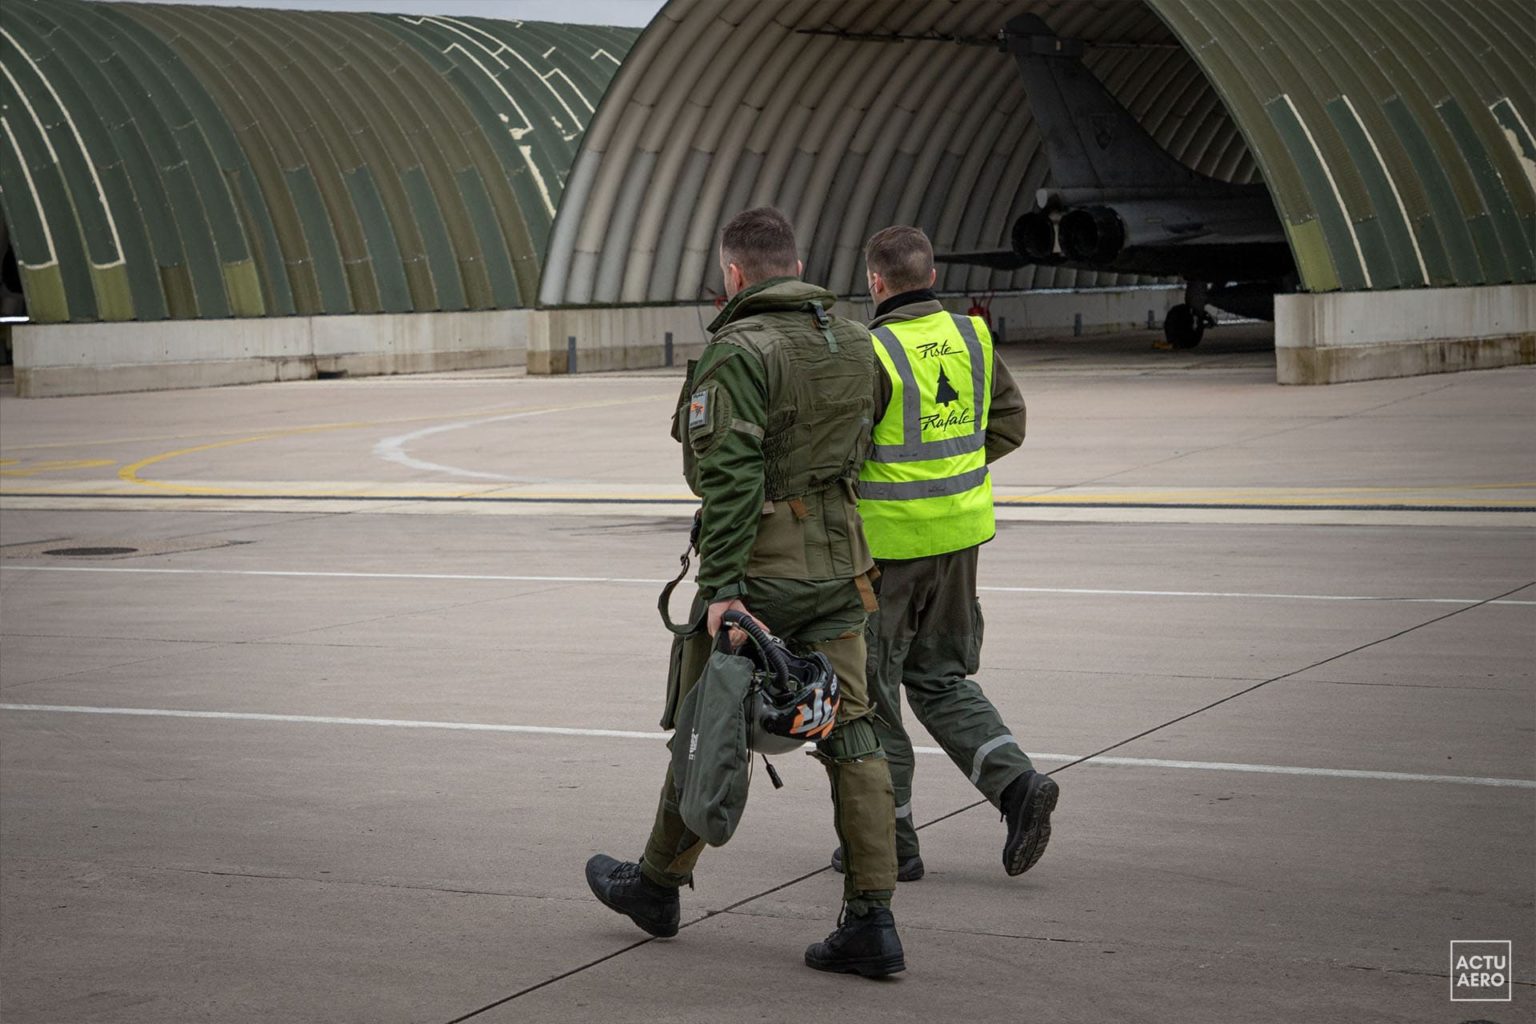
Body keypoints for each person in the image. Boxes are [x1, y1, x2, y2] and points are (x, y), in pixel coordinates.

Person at [586, 208, 905, 977]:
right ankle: (872, 918)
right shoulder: (859, 340)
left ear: (734, 274)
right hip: (842, 564)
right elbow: (876, 426)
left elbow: (730, 478)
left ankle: (658, 884)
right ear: (795, 265)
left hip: (760, 572)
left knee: (708, 722)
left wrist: (723, 586)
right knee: (852, 730)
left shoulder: (739, 351)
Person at [829, 224, 1059, 883]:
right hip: (960, 542)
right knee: (940, 678)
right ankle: (1017, 786)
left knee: (870, 696)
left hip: (886, 553)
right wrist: (952, 475)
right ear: (929, 276)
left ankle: (890, 842)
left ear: (875, 282)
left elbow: (844, 453)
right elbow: (1008, 423)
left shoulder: (870, 352)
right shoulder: (972, 335)